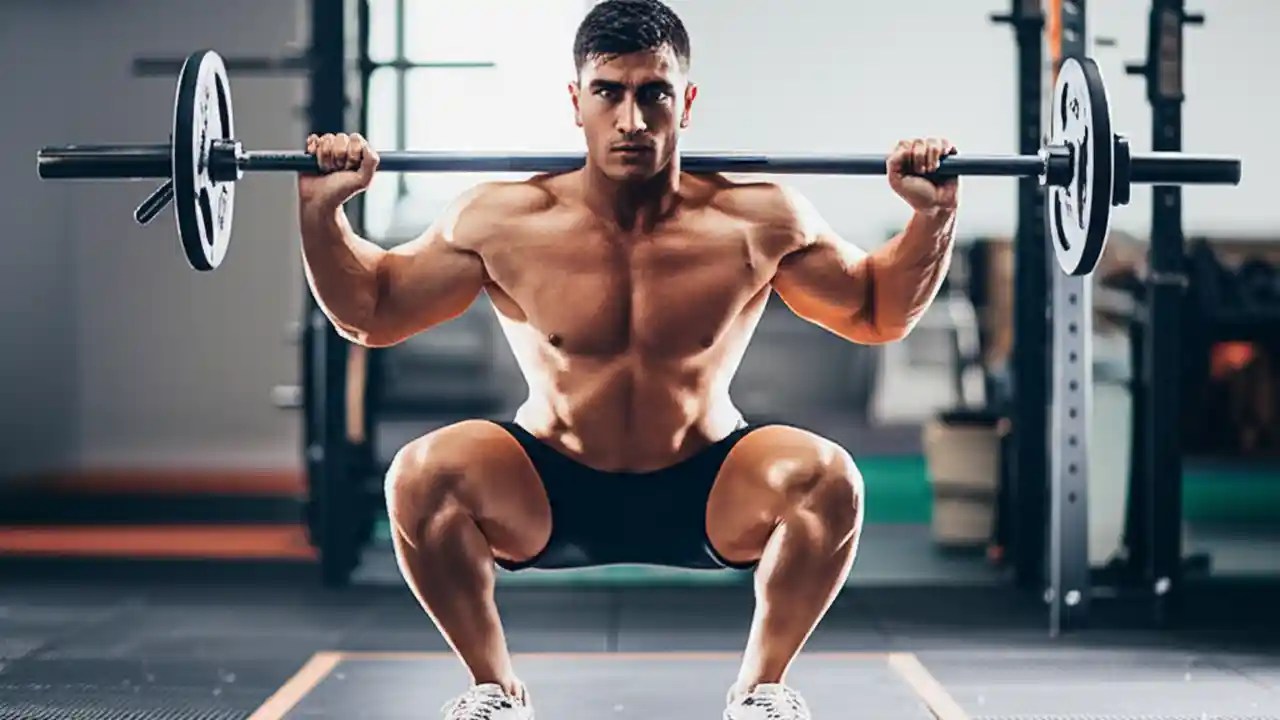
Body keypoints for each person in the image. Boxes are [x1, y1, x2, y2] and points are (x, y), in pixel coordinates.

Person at [297, 1, 957, 717]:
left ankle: (761, 693)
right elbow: (373, 313)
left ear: (687, 102)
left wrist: (932, 217)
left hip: (706, 483)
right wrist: (322, 214)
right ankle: (495, 691)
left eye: (655, 93)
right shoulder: (501, 221)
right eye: (609, 91)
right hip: (549, 482)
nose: (633, 120)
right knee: (420, 478)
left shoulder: (759, 221)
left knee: (828, 481)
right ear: (575, 102)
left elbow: (875, 311)